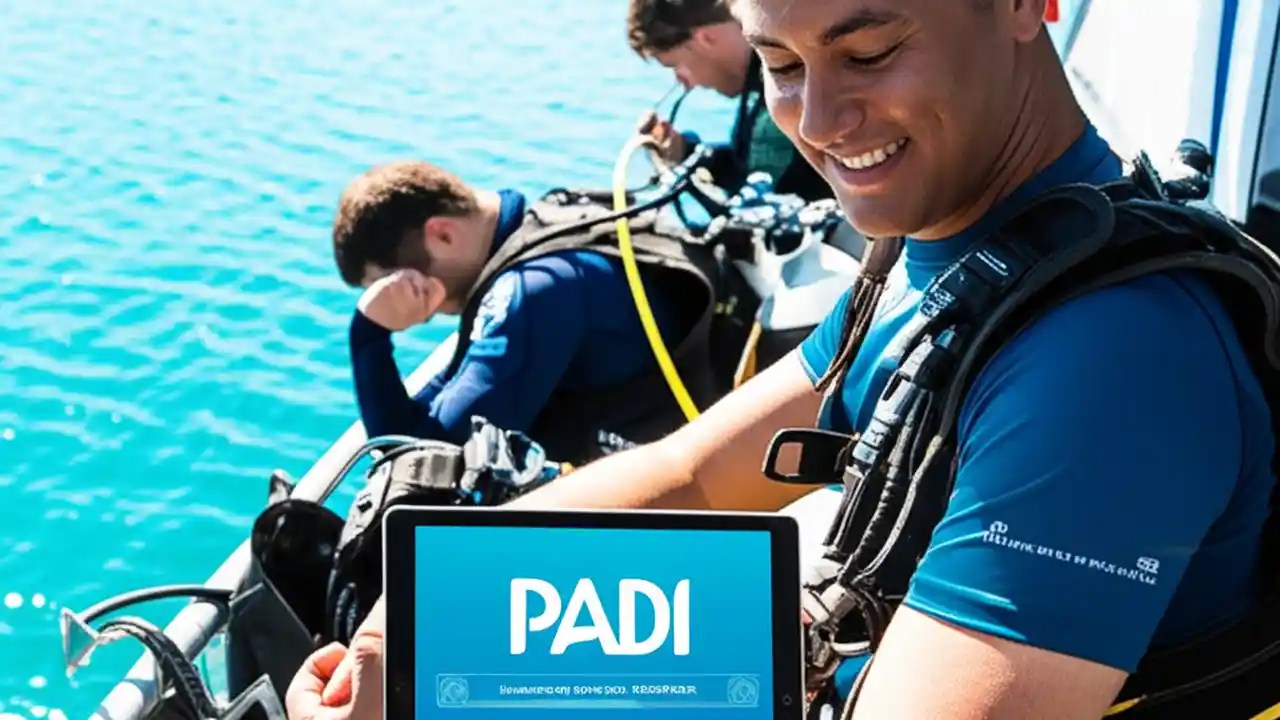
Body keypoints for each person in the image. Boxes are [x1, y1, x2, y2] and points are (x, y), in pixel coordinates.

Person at [288, 1, 1279, 718]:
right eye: (781, 64)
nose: (818, 120)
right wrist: (420, 618)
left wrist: (475, 685)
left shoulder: (1104, 362)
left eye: (871, 48)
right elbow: (693, 474)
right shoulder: (936, 259)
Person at [334, 160, 720, 466]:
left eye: (391, 282)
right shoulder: (549, 224)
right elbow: (431, 412)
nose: (419, 311)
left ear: (443, 235)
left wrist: (368, 335)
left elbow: (420, 460)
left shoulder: (532, 292)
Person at [627, 0, 833, 204]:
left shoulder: (793, 82)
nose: (683, 83)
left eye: (675, 65)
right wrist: (684, 152)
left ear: (705, 38)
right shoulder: (759, 86)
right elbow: (751, 176)